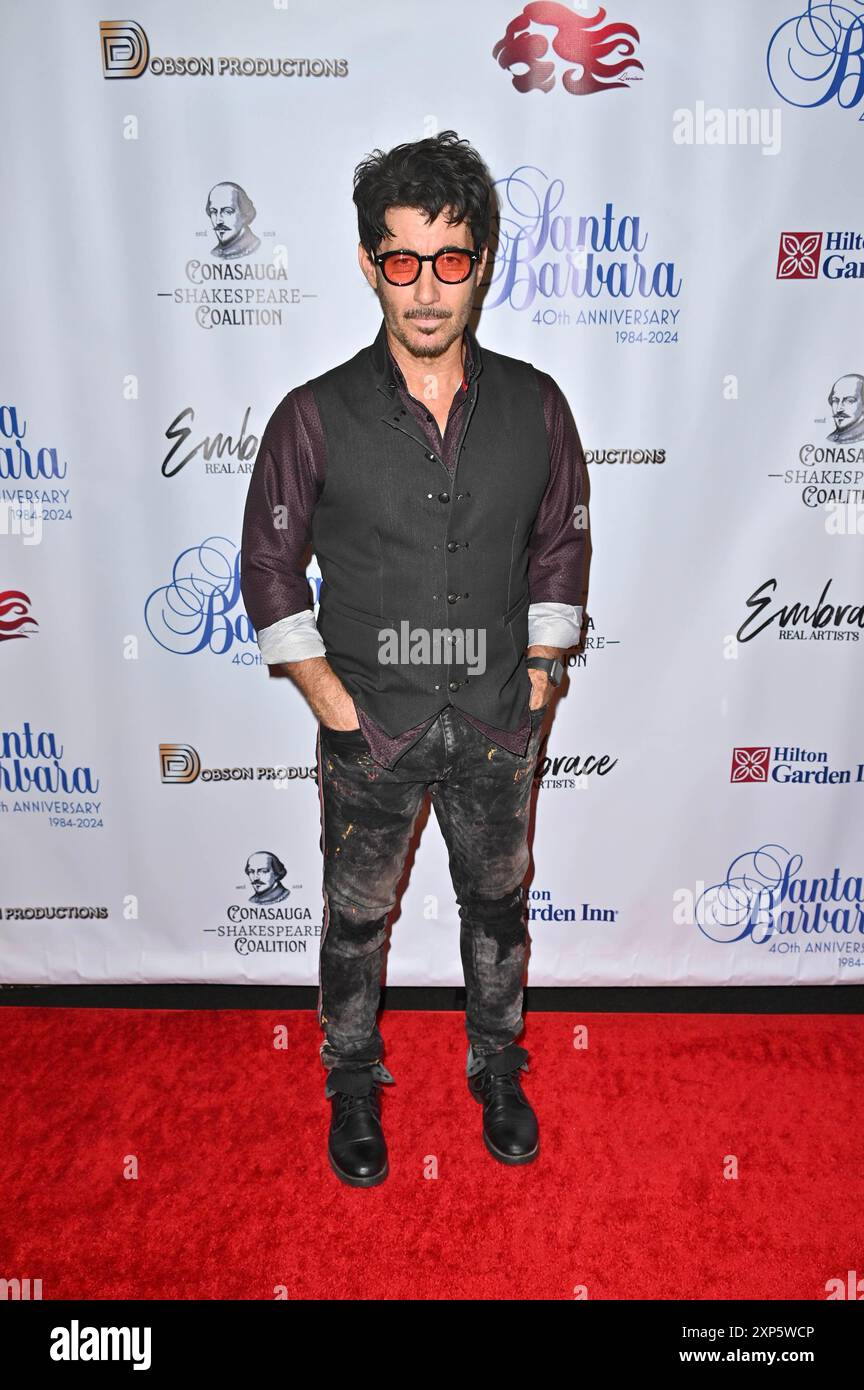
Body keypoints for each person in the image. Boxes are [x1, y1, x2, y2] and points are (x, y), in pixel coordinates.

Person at [240, 130, 590, 1187]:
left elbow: (560, 541)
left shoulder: (536, 404)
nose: (427, 290)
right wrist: (328, 693)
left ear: (480, 260)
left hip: (495, 717)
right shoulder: (313, 414)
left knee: (497, 904)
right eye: (402, 261)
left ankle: (497, 1063)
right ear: (368, 264)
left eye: (448, 260)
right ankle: (352, 1079)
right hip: (371, 725)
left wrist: (540, 669)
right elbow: (266, 564)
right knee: (356, 914)